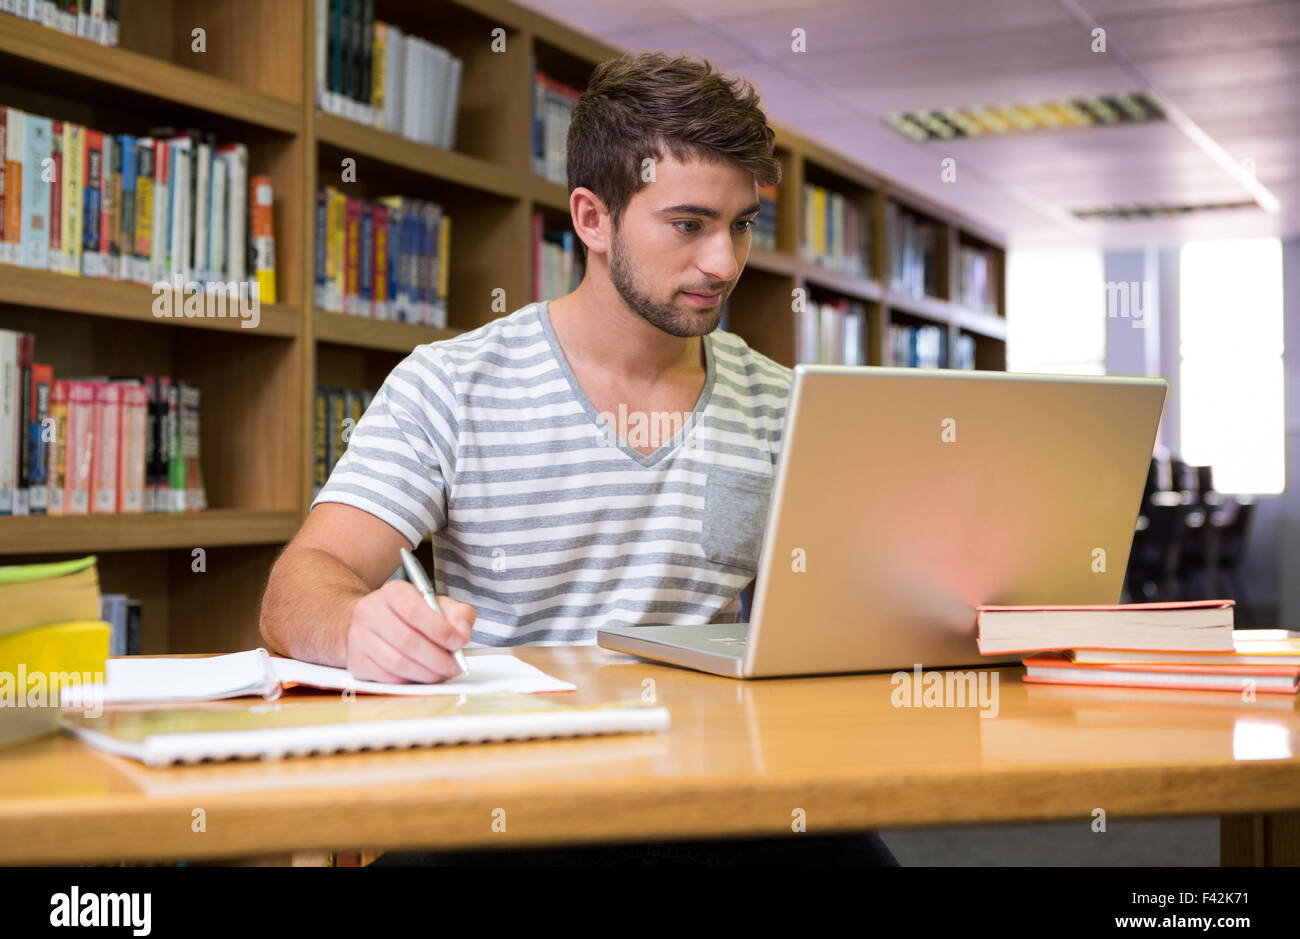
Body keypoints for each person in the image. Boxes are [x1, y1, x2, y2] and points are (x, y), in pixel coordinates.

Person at [259, 50, 898, 867]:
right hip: (507, 794)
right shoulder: (451, 384)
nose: (724, 263)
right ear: (592, 219)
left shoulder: (784, 403)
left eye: (741, 225)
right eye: (688, 223)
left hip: (716, 787)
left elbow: (838, 619)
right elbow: (297, 586)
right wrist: (355, 624)